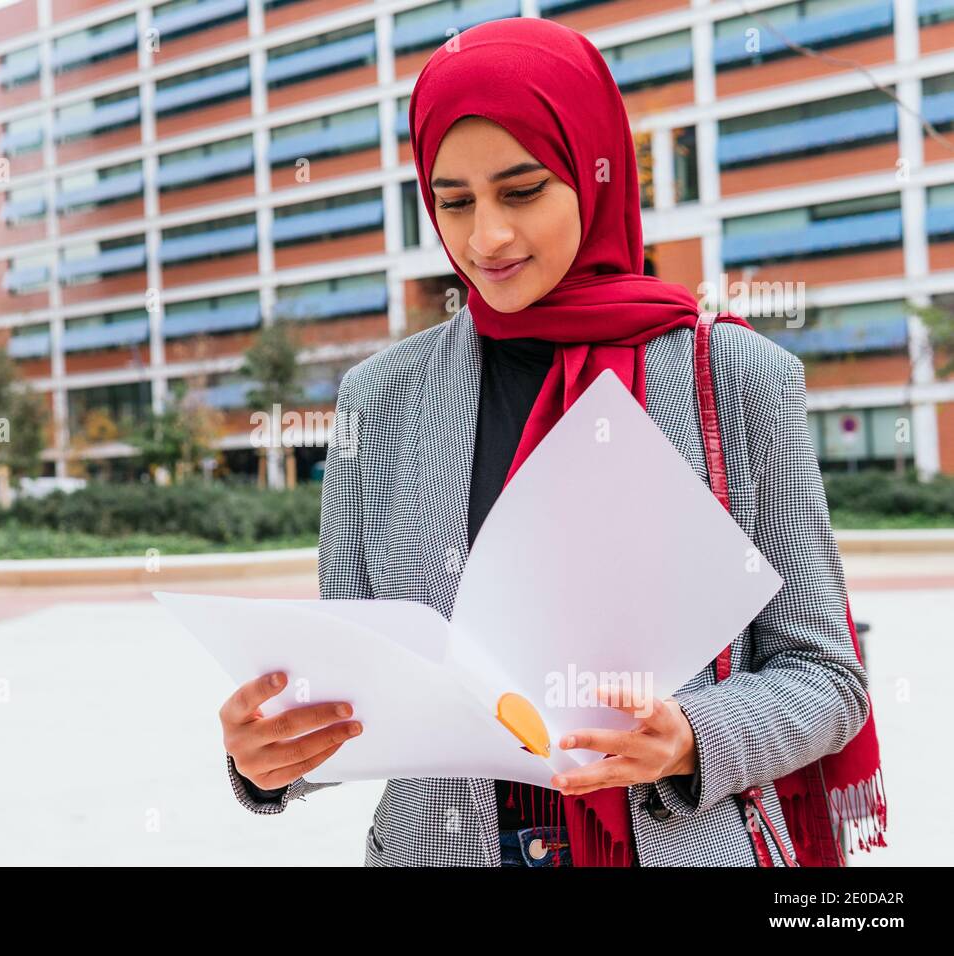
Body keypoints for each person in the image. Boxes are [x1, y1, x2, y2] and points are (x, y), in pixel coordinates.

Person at [218, 16, 882, 866]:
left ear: (593, 169)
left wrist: (689, 737)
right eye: (452, 202)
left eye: (522, 191)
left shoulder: (738, 379)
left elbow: (828, 681)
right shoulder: (376, 402)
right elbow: (362, 692)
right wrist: (268, 759)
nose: (485, 238)